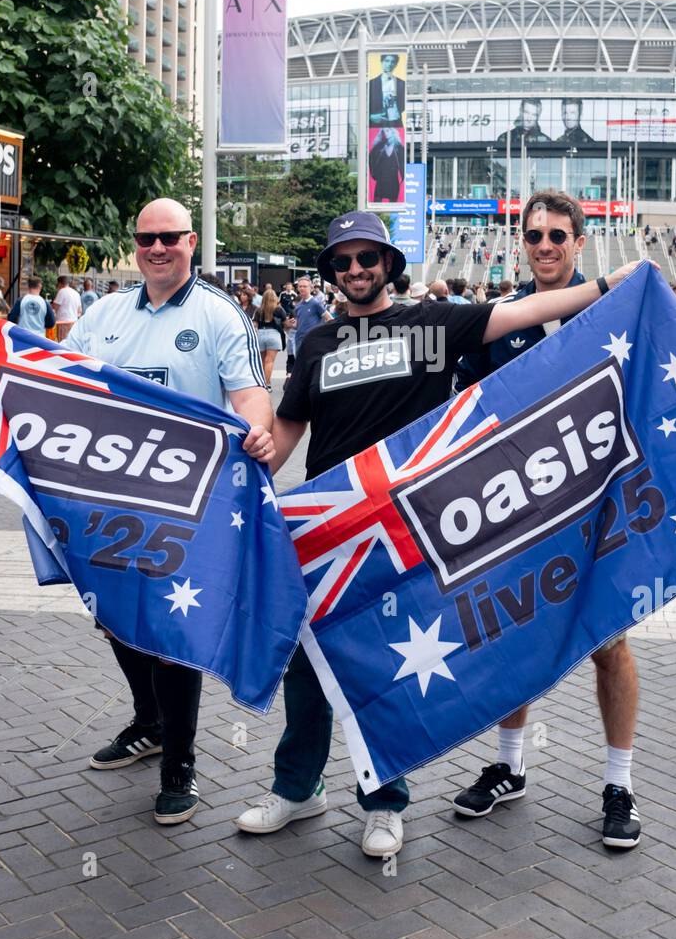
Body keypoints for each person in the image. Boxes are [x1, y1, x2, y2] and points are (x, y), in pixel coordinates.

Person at [235, 208, 643, 858]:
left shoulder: (432, 324)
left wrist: (606, 286)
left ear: (389, 266)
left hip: (400, 532)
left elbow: (522, 314)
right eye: (343, 262)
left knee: (386, 665)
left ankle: (385, 803)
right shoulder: (316, 345)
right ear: (332, 273)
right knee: (306, 665)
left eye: (368, 258)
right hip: (327, 528)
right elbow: (287, 431)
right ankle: (296, 787)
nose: (356, 270)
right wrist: (261, 449)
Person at [0, 199, 273, 825]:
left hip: (187, 505)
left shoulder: (221, 316)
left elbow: (249, 397)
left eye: (168, 238)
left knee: (171, 634)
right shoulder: (103, 314)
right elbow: (50, 375)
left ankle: (179, 763)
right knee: (111, 618)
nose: (156, 249)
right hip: (108, 498)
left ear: (191, 242)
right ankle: (151, 721)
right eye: (145, 239)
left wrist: (260, 432)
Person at [452, 190, 645, 849]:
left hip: (602, 512)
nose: (543, 246)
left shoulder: (620, 316)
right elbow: (463, 415)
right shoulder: (500, 319)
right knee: (515, 640)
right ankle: (510, 766)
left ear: (580, 242)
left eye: (556, 236)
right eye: (533, 236)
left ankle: (619, 783)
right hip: (521, 513)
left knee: (610, 646)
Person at [255, 287, 286, 391]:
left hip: (260, 334)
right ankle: (267, 385)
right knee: (269, 361)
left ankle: (260, 383)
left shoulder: (259, 310)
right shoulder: (279, 309)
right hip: (274, 334)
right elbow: (285, 323)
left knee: (262, 361)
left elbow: (254, 325)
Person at [368, 127, 405, 204]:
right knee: (377, 203)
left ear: (393, 132)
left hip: (393, 180)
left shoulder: (399, 148)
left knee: (393, 204)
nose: (385, 133)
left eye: (387, 130)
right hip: (381, 180)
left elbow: (403, 163)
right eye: (383, 131)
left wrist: (403, 176)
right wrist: (374, 175)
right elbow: (371, 160)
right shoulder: (378, 147)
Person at [368, 53, 405, 125]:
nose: (389, 64)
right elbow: (366, 104)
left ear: (396, 64)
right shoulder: (371, 83)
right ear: (381, 62)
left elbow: (403, 105)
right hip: (377, 123)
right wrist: (371, 116)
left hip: (396, 122)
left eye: (392, 62)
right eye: (387, 61)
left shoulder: (402, 83)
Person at [52, 276, 81, 341]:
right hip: (74, 322)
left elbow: (55, 307)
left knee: (62, 343)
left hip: (63, 322)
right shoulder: (76, 293)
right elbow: (79, 311)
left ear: (59, 283)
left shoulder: (62, 291)